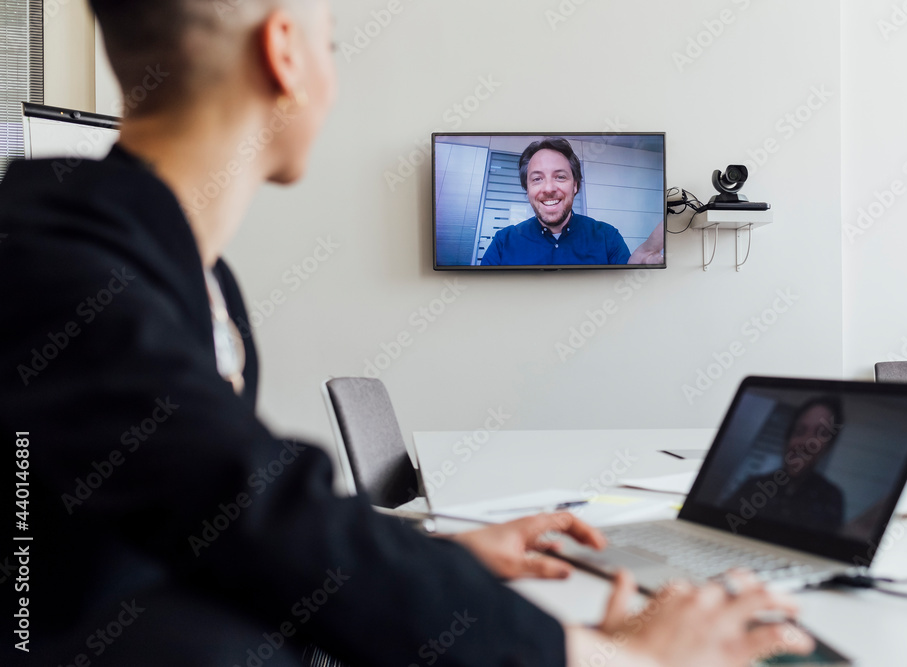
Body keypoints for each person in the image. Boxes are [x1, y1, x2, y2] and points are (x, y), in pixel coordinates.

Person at [0, 1, 812, 665]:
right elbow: (248, 504)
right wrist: (615, 658)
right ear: (284, 50)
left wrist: (443, 558)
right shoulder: (51, 268)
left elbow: (224, 531)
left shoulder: (192, 275)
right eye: (334, 43)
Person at [480, 137, 634, 266]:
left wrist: (635, 279)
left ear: (575, 185)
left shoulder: (608, 239)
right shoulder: (502, 243)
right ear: (527, 189)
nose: (548, 188)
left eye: (560, 177)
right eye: (537, 179)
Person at [724, 398, 846, 532]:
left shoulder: (831, 498)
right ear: (788, 439)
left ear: (827, 447)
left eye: (820, 434)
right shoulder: (753, 486)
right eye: (799, 431)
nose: (806, 442)